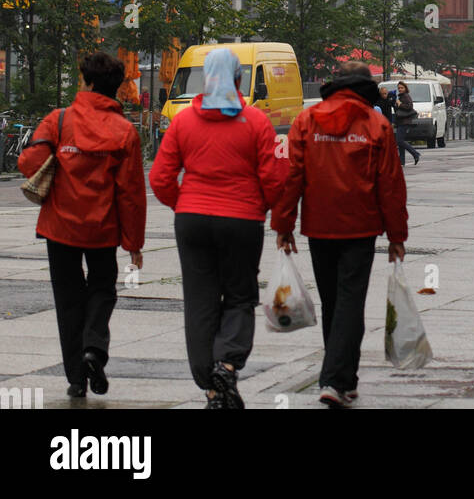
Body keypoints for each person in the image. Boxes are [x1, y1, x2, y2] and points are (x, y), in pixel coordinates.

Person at [149, 47, 288, 409]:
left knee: (200, 301)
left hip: (192, 221)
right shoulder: (256, 121)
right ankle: (227, 363)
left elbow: (160, 177)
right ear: (238, 80)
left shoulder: (182, 122)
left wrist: (182, 204)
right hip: (241, 220)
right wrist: (264, 208)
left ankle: (210, 384)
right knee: (240, 296)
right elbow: (274, 178)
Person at [273, 61, 407, 409]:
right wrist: (396, 235)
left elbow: (293, 177)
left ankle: (343, 380)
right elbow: (390, 184)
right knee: (350, 303)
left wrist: (284, 224)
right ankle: (335, 379)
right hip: (360, 228)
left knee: (333, 302)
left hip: (319, 226)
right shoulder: (375, 124)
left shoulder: (307, 120)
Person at [18, 52, 146, 400]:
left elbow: (28, 162)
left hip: (59, 228)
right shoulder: (124, 132)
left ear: (87, 82)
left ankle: (76, 378)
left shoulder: (59, 121)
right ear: (115, 88)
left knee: (68, 299)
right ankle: (94, 348)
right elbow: (131, 193)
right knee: (102, 290)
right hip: (102, 230)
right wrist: (134, 242)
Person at [393, 80, 420, 166]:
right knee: (400, 142)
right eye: (399, 88)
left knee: (399, 140)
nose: (400, 89)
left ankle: (415, 153)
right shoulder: (401, 96)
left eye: (402, 88)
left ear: (405, 88)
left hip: (405, 122)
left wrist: (400, 104)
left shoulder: (406, 96)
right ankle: (402, 161)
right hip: (401, 121)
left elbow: (409, 106)